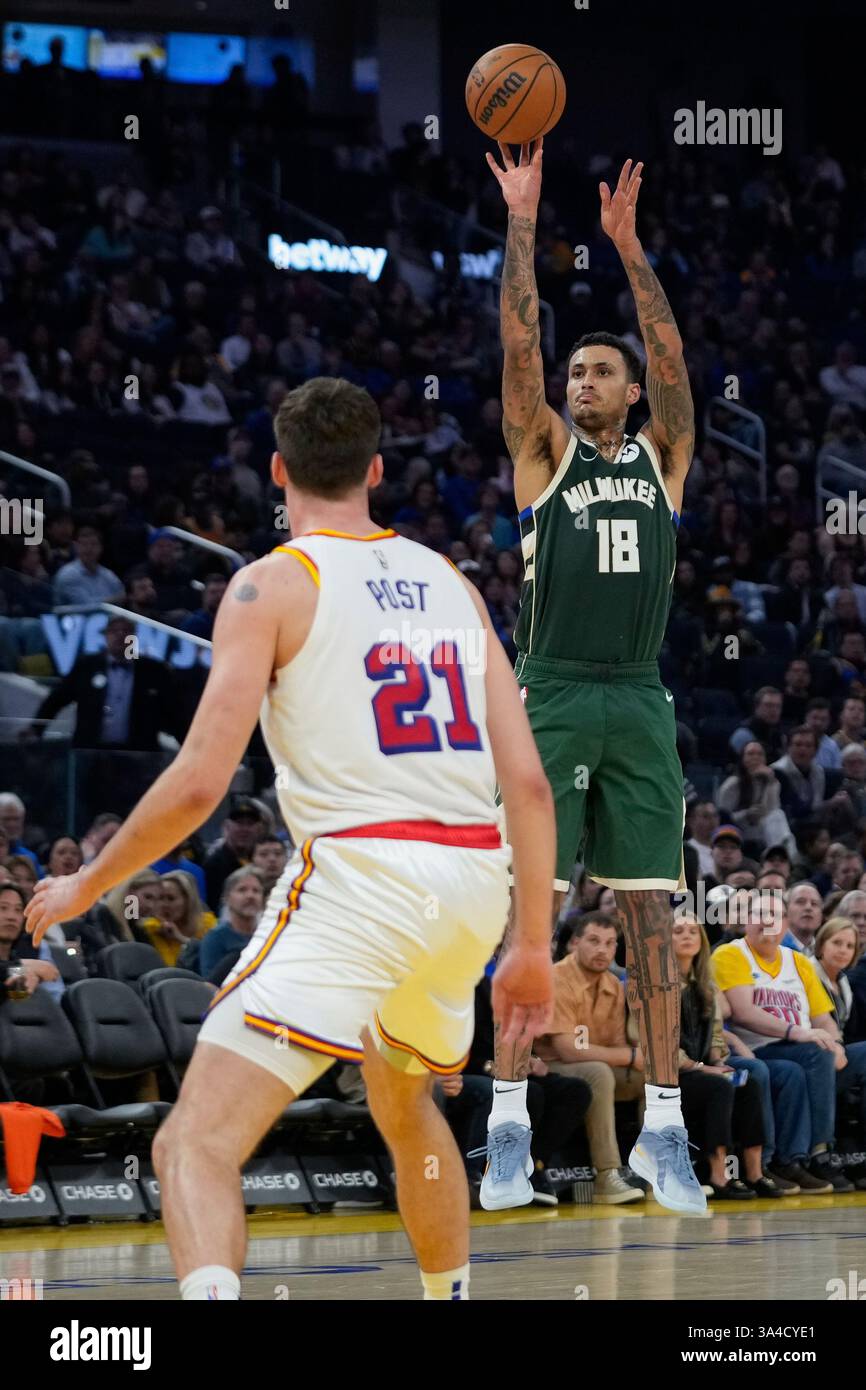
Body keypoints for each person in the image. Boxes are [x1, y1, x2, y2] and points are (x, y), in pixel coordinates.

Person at [25, 374, 556, 1302]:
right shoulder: (453, 583)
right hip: (475, 882)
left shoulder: (270, 583)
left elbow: (198, 783)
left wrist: (86, 883)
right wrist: (534, 946)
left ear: (278, 470)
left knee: (193, 1140)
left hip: (365, 879)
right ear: (378, 470)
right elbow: (530, 785)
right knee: (404, 1102)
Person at [483, 144, 703, 1213]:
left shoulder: (664, 456)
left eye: (598, 372)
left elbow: (670, 355)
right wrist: (523, 224)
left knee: (653, 917)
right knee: (531, 916)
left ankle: (665, 1129)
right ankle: (506, 1131)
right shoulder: (541, 452)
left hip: (639, 695)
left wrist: (624, 248)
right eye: (576, 374)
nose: (581, 382)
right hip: (555, 691)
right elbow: (518, 339)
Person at [711, 900, 852, 1192]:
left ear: (786, 923)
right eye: (760, 914)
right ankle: (813, 1153)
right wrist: (798, 1032)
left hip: (800, 1048)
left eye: (775, 915)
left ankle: (807, 1158)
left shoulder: (798, 960)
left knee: (825, 1055)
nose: (768, 921)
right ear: (746, 920)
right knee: (806, 1059)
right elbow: (744, 1012)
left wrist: (835, 1042)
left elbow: (822, 1018)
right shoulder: (730, 954)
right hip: (756, 1047)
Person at [535, 912, 645, 1204]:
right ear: (574, 943)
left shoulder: (613, 983)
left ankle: (654, 1168)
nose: (602, 950)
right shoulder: (556, 978)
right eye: (594, 941)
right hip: (550, 1066)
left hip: (594, 1065)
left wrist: (633, 1058)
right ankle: (606, 1175)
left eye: (610, 943)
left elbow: (616, 1043)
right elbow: (567, 1050)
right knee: (599, 1072)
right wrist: (630, 1055)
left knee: (653, 1077)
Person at [672, 914, 769, 1198]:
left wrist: (718, 1061)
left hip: (703, 1069)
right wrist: (702, 1068)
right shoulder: (655, 986)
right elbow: (657, 1045)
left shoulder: (706, 985)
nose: (687, 936)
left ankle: (754, 1173)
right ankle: (719, 1175)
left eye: (693, 931)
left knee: (746, 1083)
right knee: (719, 1086)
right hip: (670, 1074)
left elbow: (715, 1035)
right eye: (678, 931)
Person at [196, 867, 264, 978]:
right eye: (242, 890)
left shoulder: (267, 935)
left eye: (256, 891)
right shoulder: (215, 938)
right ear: (227, 898)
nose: (250, 896)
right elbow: (209, 985)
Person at [141, 870, 216, 969]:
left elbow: (212, 960)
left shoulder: (207, 924)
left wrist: (181, 938)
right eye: (159, 898)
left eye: (170, 898)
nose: (164, 905)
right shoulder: (148, 929)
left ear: (188, 901)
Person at [202, 795, 267, 910]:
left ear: (259, 828)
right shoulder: (214, 865)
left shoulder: (262, 861)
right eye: (239, 823)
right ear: (227, 826)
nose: (244, 829)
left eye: (250, 823)